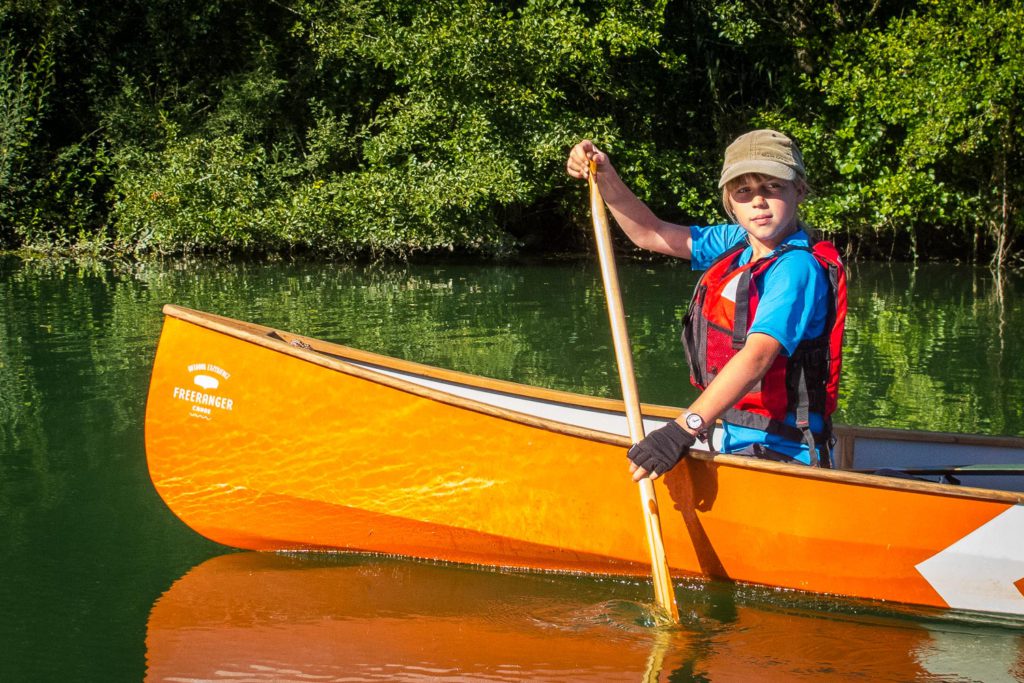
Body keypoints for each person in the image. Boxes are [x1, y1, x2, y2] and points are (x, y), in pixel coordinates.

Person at [566, 129, 846, 480]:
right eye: (744, 191)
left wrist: (683, 429)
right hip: (737, 440)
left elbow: (757, 356)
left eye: (772, 187)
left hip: (786, 454)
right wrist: (606, 177)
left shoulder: (795, 268)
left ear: (799, 190)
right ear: (730, 201)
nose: (758, 201)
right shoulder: (738, 243)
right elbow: (649, 232)